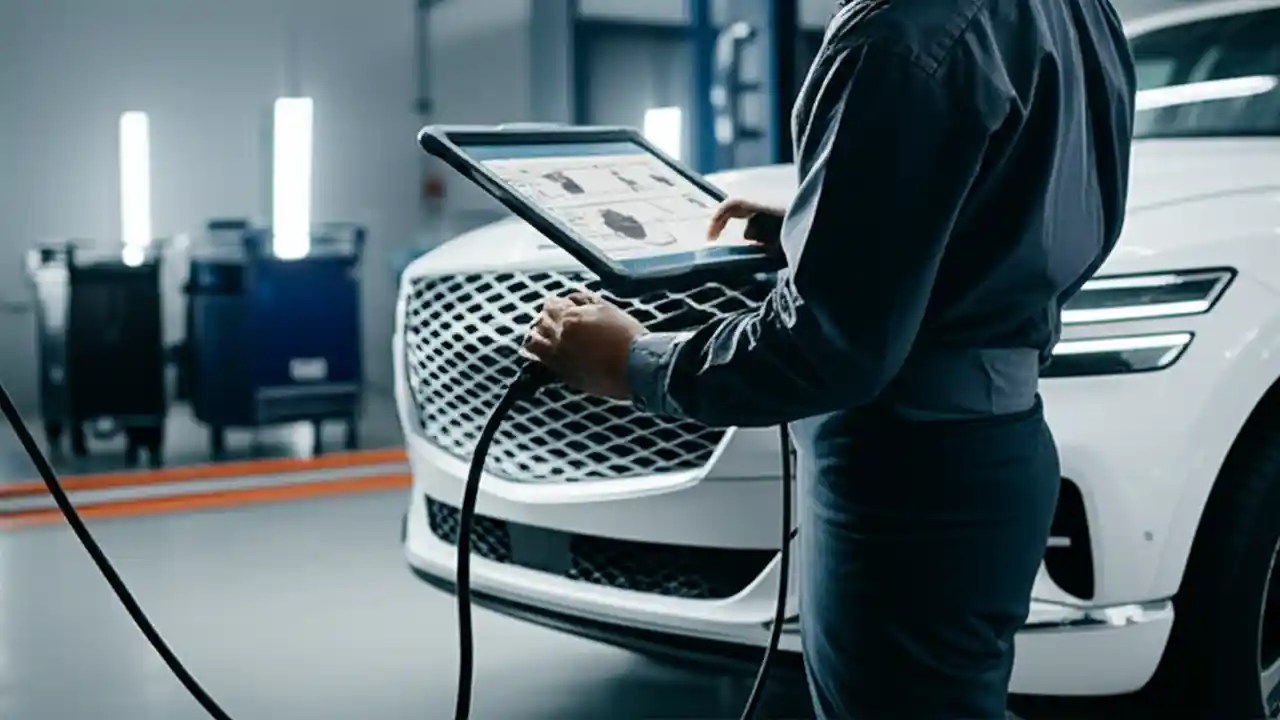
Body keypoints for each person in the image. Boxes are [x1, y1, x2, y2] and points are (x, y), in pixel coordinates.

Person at [521, 0, 1136, 716]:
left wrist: (631, 361)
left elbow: (828, 346)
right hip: (1001, 450)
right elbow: (1022, 206)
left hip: (905, 469)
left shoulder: (899, 28)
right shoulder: (1078, 10)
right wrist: (837, 229)